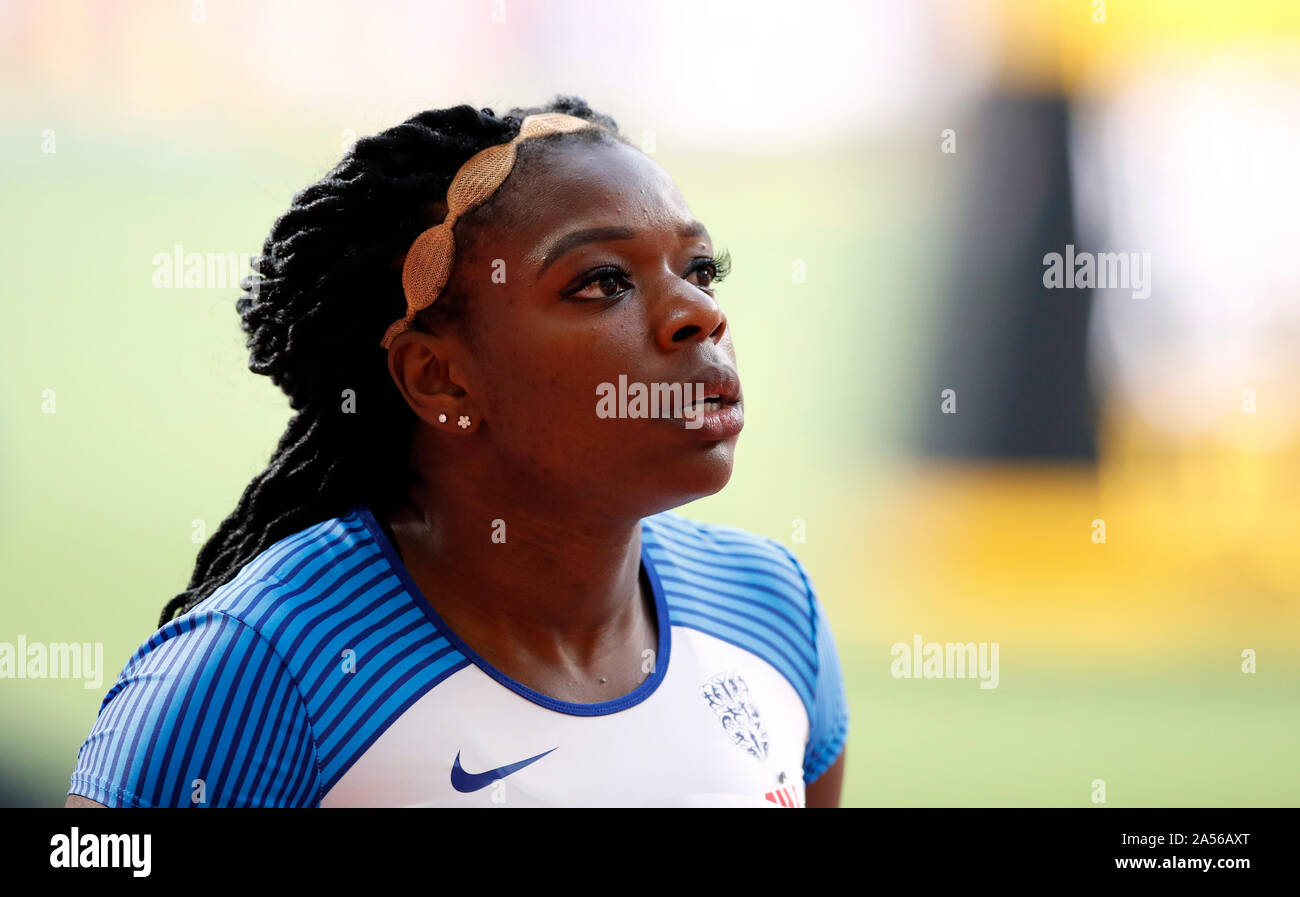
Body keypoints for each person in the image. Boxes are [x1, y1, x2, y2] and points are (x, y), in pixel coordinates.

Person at [65, 95, 849, 807]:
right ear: (439, 378)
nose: (699, 314)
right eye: (603, 281)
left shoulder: (772, 611)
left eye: (701, 268)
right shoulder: (264, 670)